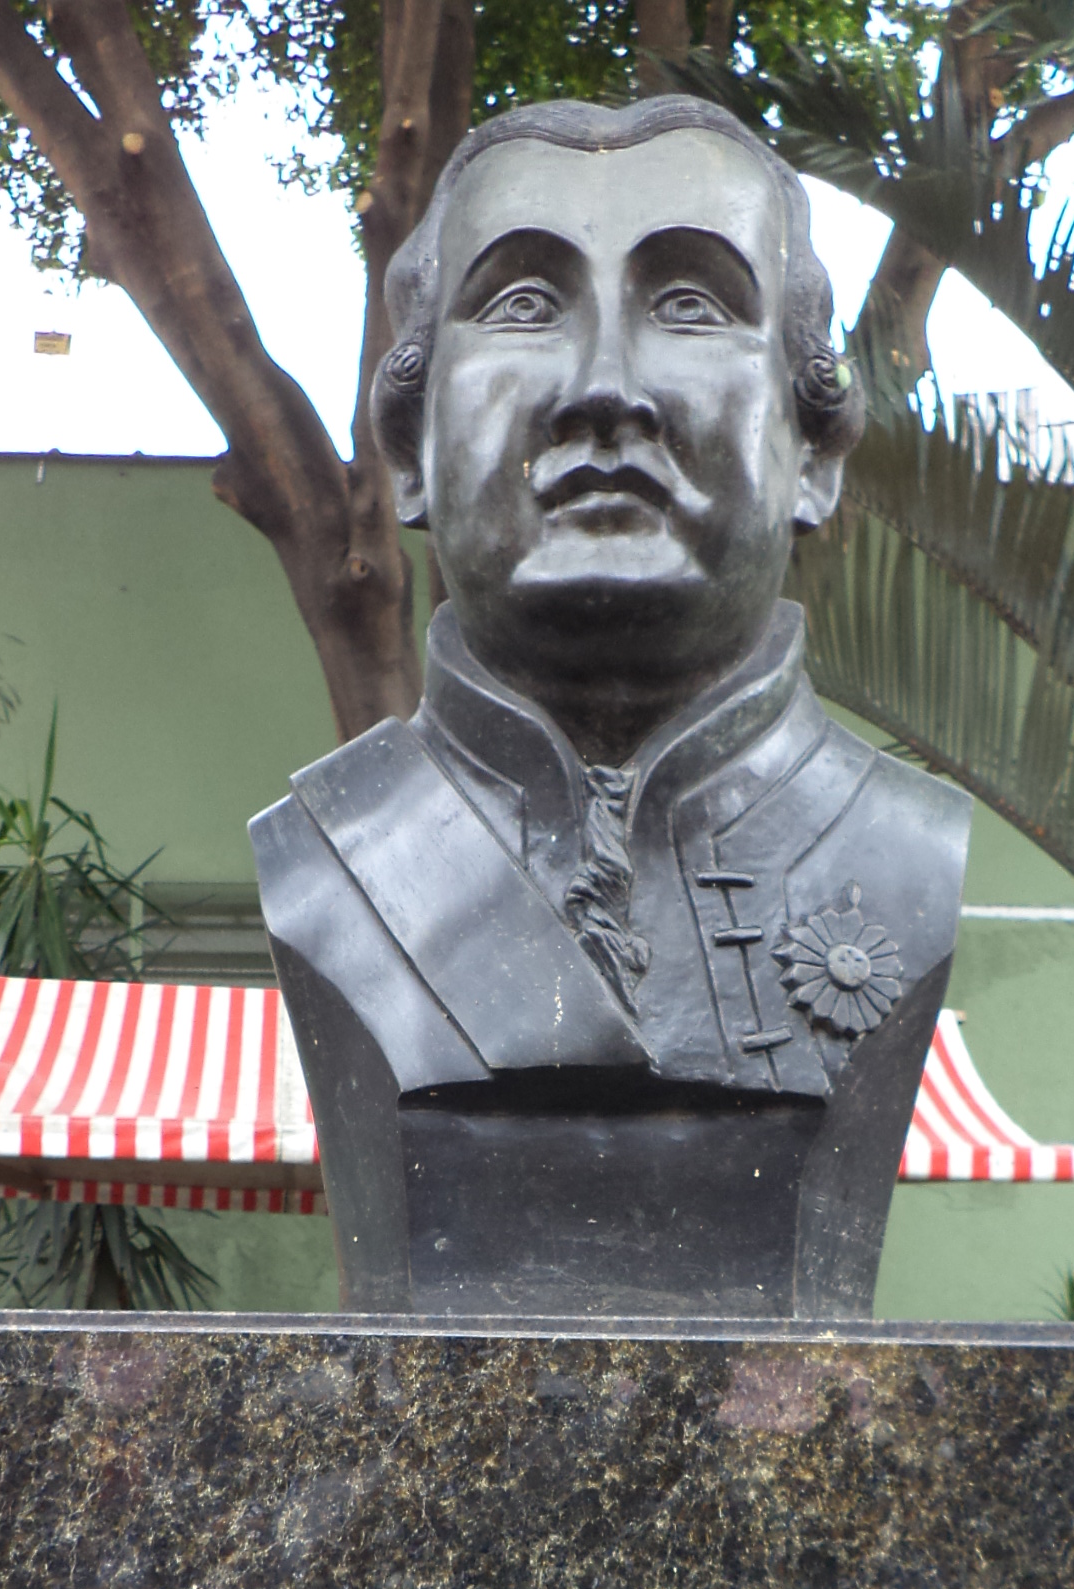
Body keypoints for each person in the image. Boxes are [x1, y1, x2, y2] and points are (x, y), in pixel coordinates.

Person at [251, 95, 969, 1315]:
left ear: (818, 449)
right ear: (409, 448)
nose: (603, 388)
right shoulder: (324, 859)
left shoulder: (914, 852)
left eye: (691, 303)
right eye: (524, 303)